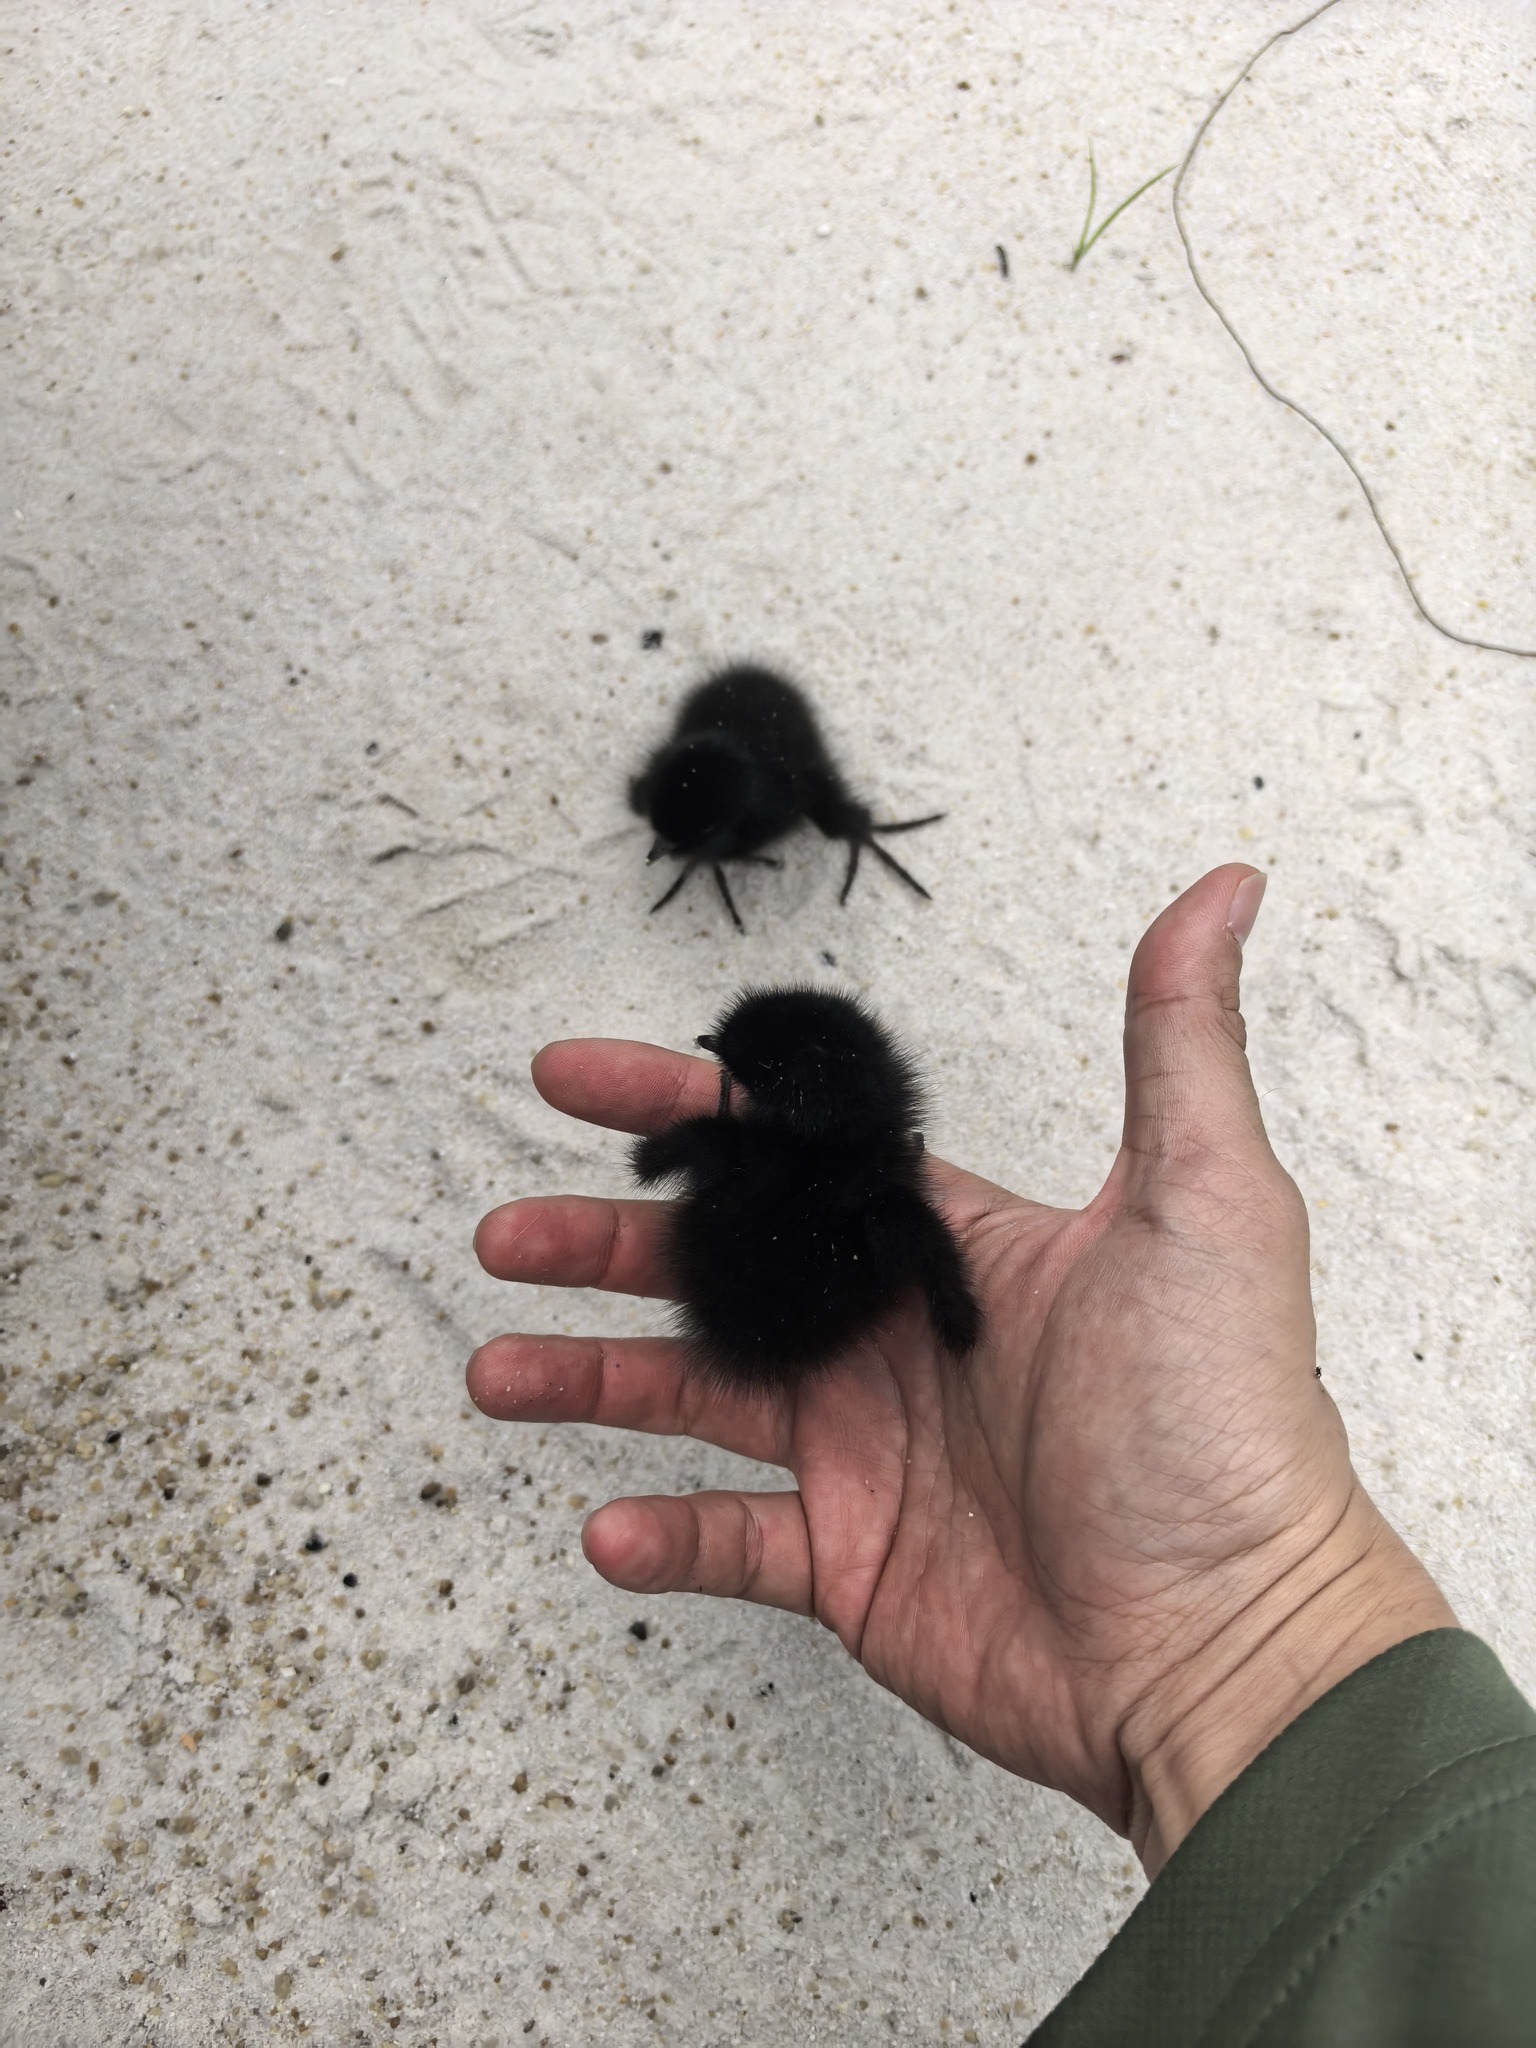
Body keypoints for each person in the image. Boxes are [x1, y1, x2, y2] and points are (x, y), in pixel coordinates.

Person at [466, 864, 1536, 2044]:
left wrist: (709, 1159)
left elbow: (670, 1165)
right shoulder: (870, 1178)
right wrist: (1241, 1642)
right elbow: (793, 1191)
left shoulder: (783, 1167)